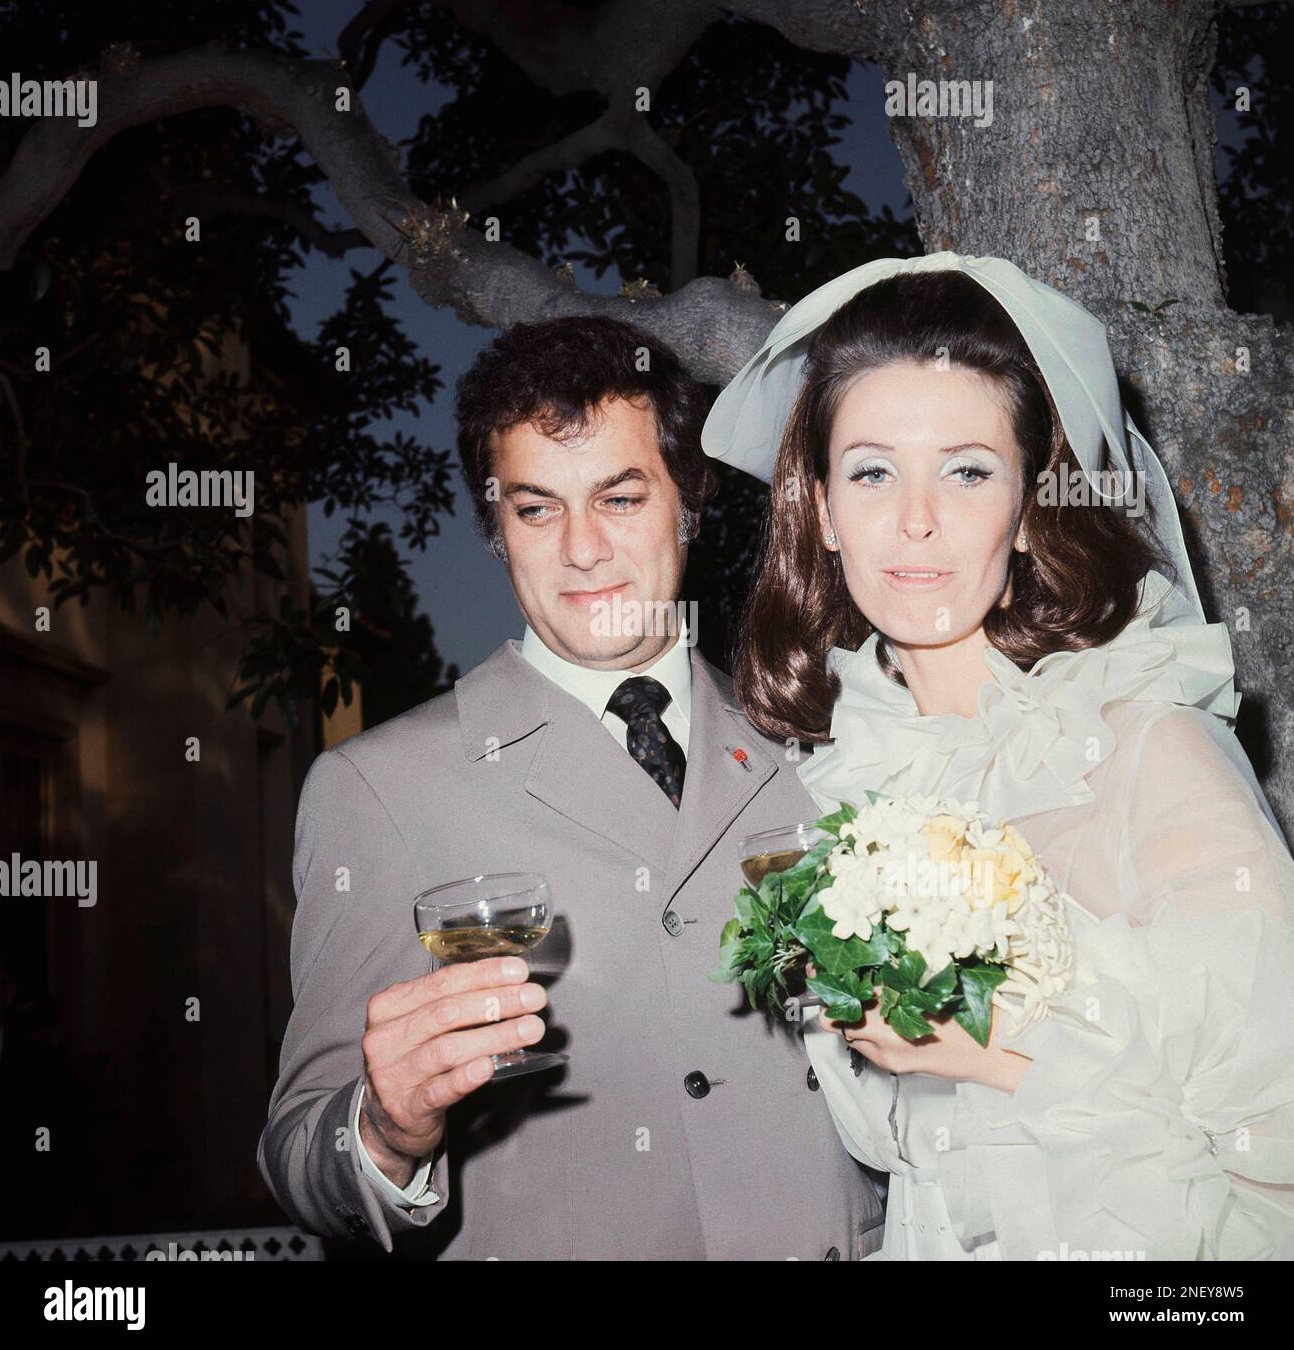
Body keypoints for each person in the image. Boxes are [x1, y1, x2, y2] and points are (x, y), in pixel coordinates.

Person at [702, 251, 1294, 1260]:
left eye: (967, 469)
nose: (916, 517)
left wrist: (1005, 1058)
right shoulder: (851, 782)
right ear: (823, 509)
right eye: (873, 469)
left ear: (1027, 509)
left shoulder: (1149, 757)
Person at [256, 315, 885, 1259]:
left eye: (621, 498)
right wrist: (387, 1127)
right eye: (537, 508)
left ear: (691, 503)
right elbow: (301, 1157)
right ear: (497, 527)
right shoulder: (377, 786)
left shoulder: (820, 744)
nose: (582, 549)